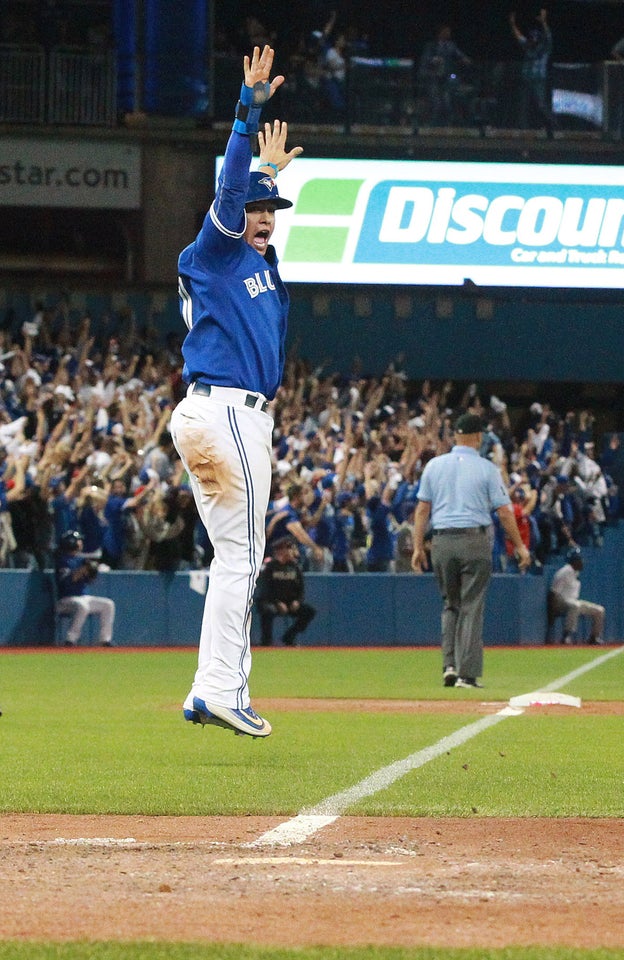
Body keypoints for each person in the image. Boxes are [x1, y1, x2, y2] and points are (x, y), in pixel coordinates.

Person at [170, 44, 303, 739]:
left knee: (234, 555)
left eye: (271, 208)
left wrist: (267, 175)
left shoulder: (257, 265)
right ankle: (223, 688)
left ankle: (209, 689)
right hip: (225, 410)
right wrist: (246, 117)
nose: (263, 215)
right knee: (244, 556)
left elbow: (260, 236)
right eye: (255, 208)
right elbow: (227, 194)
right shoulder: (216, 250)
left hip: (217, 413)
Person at [410, 412, 532, 689]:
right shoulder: (487, 468)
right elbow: (503, 512)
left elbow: (421, 509)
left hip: (441, 541)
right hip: (473, 540)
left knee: (450, 605)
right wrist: (520, 546)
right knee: (472, 606)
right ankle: (466, 673)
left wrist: (418, 547)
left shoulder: (434, 466)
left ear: (456, 436)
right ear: (478, 438)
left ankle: (449, 666)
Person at [53, 530, 114, 647]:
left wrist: (92, 571)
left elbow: (90, 581)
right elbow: (66, 582)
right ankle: (70, 640)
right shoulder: (62, 561)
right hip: (65, 600)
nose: (81, 542)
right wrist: (83, 569)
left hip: (83, 597)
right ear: (71, 543)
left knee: (108, 604)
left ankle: (105, 640)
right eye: (78, 540)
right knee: (82, 606)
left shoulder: (80, 560)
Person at [253, 536, 316, 646]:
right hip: (271, 602)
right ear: (281, 551)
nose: (292, 552)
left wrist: (297, 601)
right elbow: (264, 590)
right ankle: (266, 642)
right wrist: (277, 603)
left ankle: (289, 637)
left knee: (309, 611)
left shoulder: (295, 567)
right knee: (268, 610)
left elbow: (300, 589)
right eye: (289, 548)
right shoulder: (269, 567)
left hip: (289, 602)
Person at [509, 8, 554, 136]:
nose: (532, 40)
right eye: (531, 38)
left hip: (539, 80)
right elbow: (518, 36)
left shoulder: (544, 48)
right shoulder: (528, 46)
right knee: (523, 104)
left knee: (541, 105)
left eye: (534, 38)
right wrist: (513, 24)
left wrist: (544, 22)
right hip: (526, 79)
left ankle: (550, 126)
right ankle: (522, 128)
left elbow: (548, 37)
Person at [549, 548, 605, 644]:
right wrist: (552, 611)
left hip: (573, 601)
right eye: (580, 560)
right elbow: (553, 593)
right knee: (575, 606)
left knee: (599, 610)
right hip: (561, 602)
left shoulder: (576, 572)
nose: (582, 562)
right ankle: (566, 635)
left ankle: (594, 637)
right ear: (575, 561)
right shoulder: (564, 572)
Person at [419, 24, 473, 125]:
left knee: (447, 101)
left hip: (446, 77)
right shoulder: (431, 45)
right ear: (440, 33)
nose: (448, 34)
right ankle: (432, 124)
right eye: (446, 31)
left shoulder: (451, 45)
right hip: (433, 77)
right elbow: (425, 59)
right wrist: (433, 60)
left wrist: (465, 59)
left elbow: (459, 54)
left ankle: (447, 123)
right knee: (436, 102)